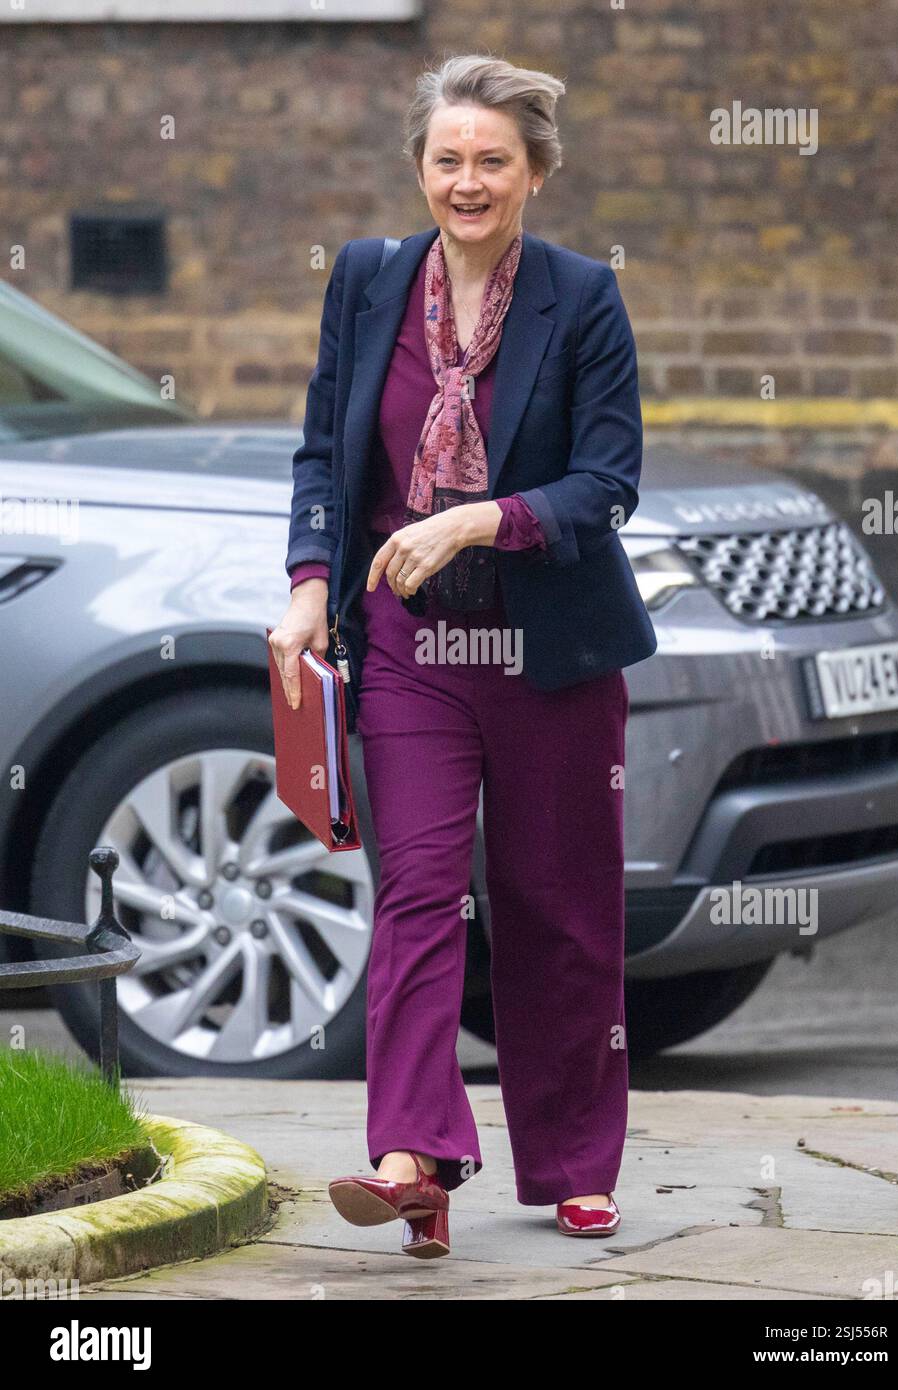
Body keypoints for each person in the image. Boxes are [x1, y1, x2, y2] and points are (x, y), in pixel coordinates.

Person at [268, 53, 657, 1260]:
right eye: (447, 159)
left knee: (557, 910)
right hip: (412, 649)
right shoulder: (368, 282)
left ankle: (574, 1163)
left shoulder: (582, 297)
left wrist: (477, 517)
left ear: (534, 172)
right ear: (419, 168)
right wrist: (307, 584)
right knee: (418, 896)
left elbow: (607, 483)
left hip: (547, 649)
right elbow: (324, 456)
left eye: (493, 159)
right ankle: (412, 1159)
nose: (467, 180)